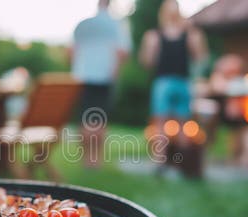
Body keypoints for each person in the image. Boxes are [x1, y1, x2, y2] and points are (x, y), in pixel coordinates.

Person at [138, 0, 207, 172]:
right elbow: (147, 61)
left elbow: (200, 56)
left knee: (180, 122)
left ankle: (178, 160)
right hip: (166, 81)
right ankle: (163, 161)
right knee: (163, 122)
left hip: (178, 81)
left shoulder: (188, 34)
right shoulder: (155, 35)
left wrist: (192, 31)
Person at [70, 0, 130, 168]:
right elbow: (122, 52)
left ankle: (84, 160)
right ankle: (95, 161)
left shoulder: (83, 24)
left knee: (84, 118)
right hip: (105, 77)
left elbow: (72, 51)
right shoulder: (117, 25)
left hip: (82, 77)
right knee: (100, 119)